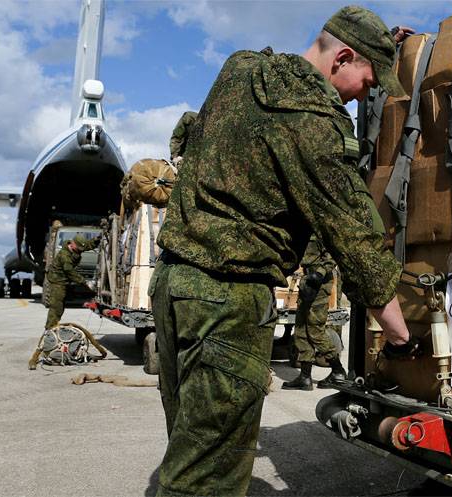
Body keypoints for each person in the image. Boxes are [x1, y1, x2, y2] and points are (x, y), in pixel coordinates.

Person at [150, 6, 417, 496]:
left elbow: (188, 136)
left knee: (189, 443)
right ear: (343, 57)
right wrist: (400, 335)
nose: (367, 94)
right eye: (369, 80)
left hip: (172, 285)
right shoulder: (314, 121)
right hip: (227, 304)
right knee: (206, 477)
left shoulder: (239, 69)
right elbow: (352, 235)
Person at [282, 236, 345, 391]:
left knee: (315, 330)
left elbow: (333, 253)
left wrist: (319, 274)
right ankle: (305, 377)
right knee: (301, 329)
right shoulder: (305, 226)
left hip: (320, 282)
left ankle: (338, 371)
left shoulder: (320, 227)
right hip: (307, 279)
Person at [44, 234, 99, 330]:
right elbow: (70, 272)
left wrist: (97, 239)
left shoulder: (77, 247)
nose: (81, 250)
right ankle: (50, 329)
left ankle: (53, 326)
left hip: (64, 279)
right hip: (57, 280)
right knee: (57, 306)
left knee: (61, 305)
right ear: (72, 244)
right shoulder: (64, 256)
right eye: (79, 248)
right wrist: (85, 282)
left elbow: (88, 245)